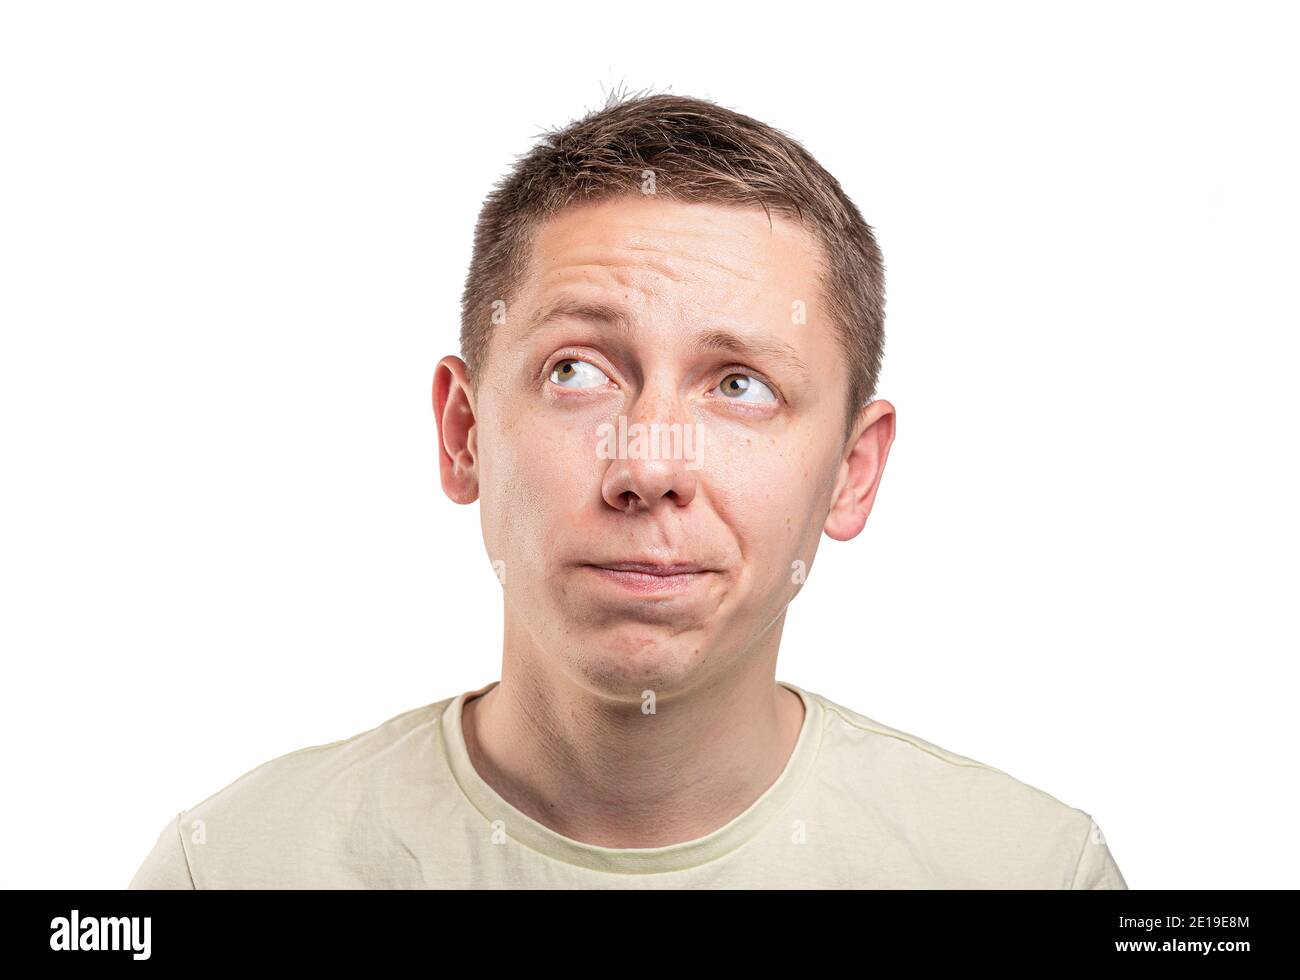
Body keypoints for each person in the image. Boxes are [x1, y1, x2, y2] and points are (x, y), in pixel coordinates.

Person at [129, 91, 1127, 889]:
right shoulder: (227, 870)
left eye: (741, 384)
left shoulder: (1032, 873)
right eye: (578, 370)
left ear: (851, 471)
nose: (648, 465)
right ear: (464, 430)